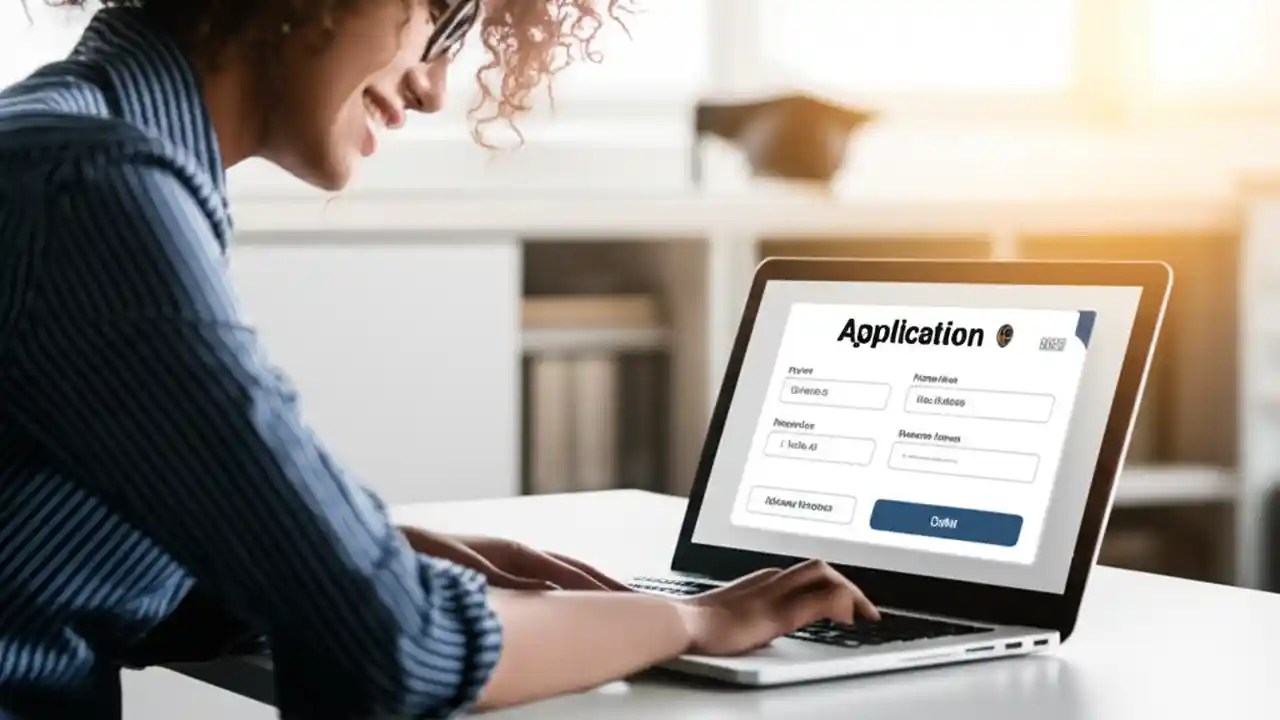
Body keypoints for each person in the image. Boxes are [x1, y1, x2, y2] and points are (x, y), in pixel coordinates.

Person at [0, 1, 879, 717]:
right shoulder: (92, 187)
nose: (432, 88)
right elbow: (389, 646)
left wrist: (363, 546)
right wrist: (692, 617)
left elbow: (53, 561)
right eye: (443, 21)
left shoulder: (58, 142)